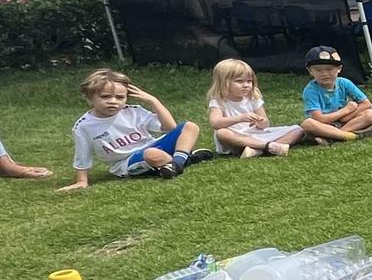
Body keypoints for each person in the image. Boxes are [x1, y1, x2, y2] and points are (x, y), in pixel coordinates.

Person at [62, 68, 207, 191]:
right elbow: (82, 156)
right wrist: (82, 181)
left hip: (152, 146)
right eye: (105, 96)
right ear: (90, 98)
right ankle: (184, 158)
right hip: (127, 162)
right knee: (153, 154)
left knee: (189, 126)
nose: (113, 101)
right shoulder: (84, 126)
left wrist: (153, 101)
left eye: (120, 97)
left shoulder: (133, 111)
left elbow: (170, 128)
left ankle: (177, 164)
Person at [206, 58, 302, 157]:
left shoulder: (253, 98)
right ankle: (268, 147)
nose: (246, 85)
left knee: (298, 130)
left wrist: (260, 122)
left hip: (256, 134)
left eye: (249, 81)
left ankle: (259, 149)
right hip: (236, 136)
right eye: (240, 81)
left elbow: (265, 123)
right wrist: (240, 118)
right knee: (222, 133)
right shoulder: (219, 101)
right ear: (224, 82)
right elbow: (215, 123)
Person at [302, 45, 372, 141]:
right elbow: (319, 118)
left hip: (345, 121)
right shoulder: (311, 90)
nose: (324, 74)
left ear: (339, 68)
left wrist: (345, 117)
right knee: (307, 124)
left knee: (371, 114)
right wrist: (346, 110)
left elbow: (366, 104)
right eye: (318, 70)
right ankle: (352, 135)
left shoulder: (344, 83)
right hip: (324, 124)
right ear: (310, 71)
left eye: (329, 69)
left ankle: (333, 136)